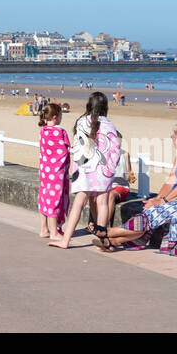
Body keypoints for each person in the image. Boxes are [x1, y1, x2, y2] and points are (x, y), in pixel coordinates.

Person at [96, 121, 177, 256]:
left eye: (172, 137)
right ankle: (114, 242)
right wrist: (157, 199)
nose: (172, 140)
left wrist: (162, 201)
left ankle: (109, 232)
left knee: (155, 213)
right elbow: (171, 181)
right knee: (152, 210)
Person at [52, 92, 120, 249]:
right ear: (105, 107)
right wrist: (111, 168)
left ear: (89, 105)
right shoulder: (109, 124)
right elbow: (115, 149)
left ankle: (65, 240)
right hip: (103, 170)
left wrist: (77, 168)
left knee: (78, 203)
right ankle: (101, 241)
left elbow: (77, 147)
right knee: (102, 203)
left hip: (84, 169)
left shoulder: (81, 121)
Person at [36, 102, 71, 241]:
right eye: (61, 116)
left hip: (44, 171)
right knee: (54, 200)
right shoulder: (60, 131)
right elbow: (66, 149)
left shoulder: (43, 130)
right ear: (55, 117)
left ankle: (44, 229)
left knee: (44, 197)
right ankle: (54, 232)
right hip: (56, 173)